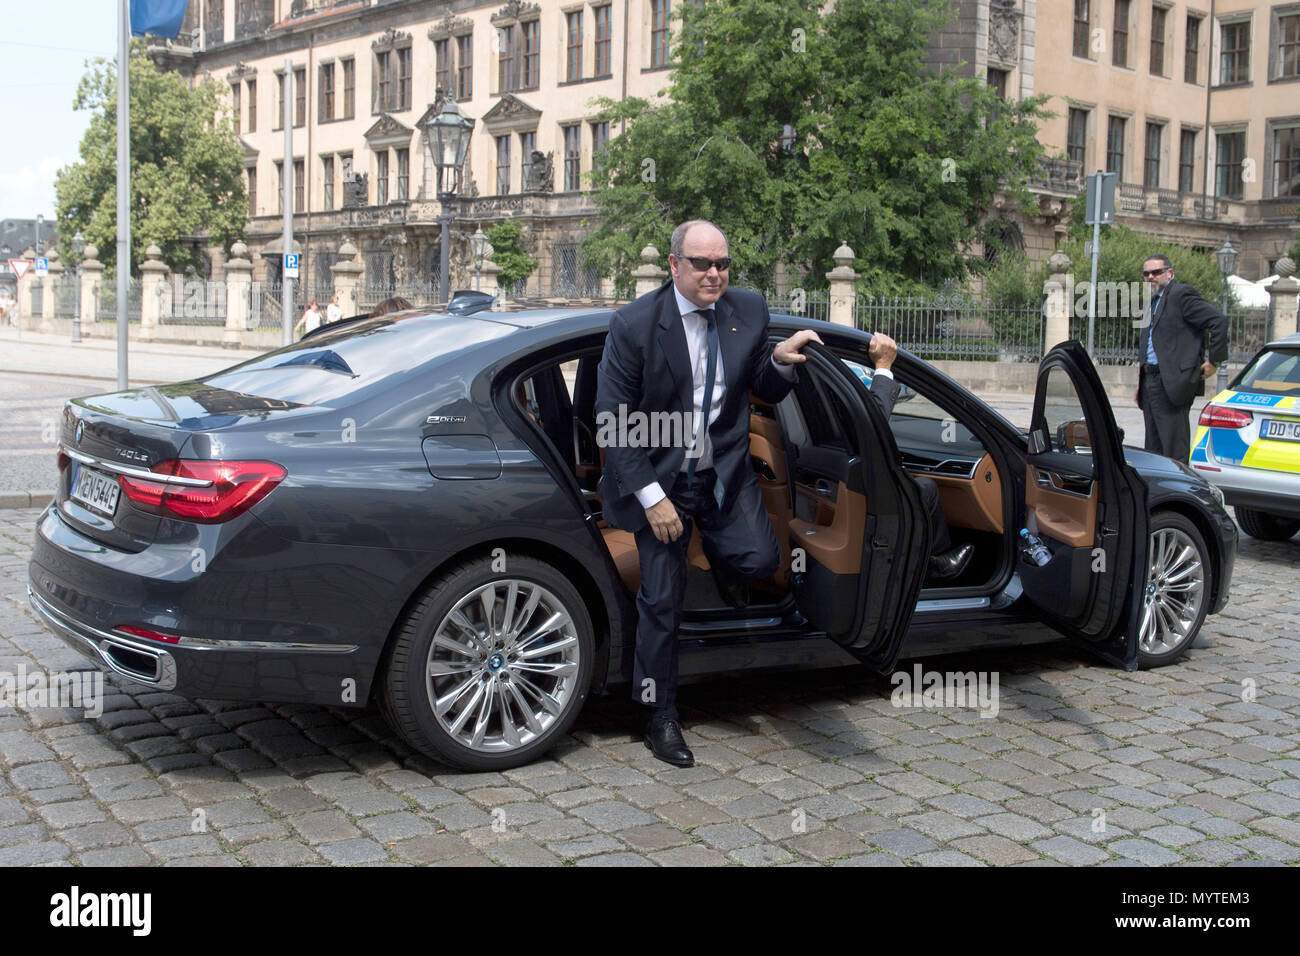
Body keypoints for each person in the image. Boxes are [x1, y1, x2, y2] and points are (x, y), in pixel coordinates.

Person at [596, 219, 822, 767]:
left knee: (760, 559)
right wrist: (653, 499)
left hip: (722, 472)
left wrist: (780, 362)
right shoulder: (634, 325)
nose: (714, 274)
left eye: (722, 263)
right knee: (662, 603)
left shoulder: (748, 310)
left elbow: (758, 387)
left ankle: (719, 565)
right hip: (660, 476)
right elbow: (613, 422)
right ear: (675, 265)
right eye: (702, 264)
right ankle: (660, 716)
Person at [860, 332, 973, 583]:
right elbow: (872, 423)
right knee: (926, 488)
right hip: (852, 493)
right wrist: (883, 367)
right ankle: (935, 565)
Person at [1134, 254, 1228, 462]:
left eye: (1156, 272)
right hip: (1151, 380)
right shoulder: (1154, 302)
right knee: (1153, 447)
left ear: (1169, 273)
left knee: (1173, 447)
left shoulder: (1180, 295)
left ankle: (1179, 491)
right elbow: (1152, 343)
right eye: (1146, 273)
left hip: (1173, 382)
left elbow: (1218, 321)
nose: (1151, 277)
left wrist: (1214, 361)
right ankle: (1158, 491)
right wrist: (1142, 382)